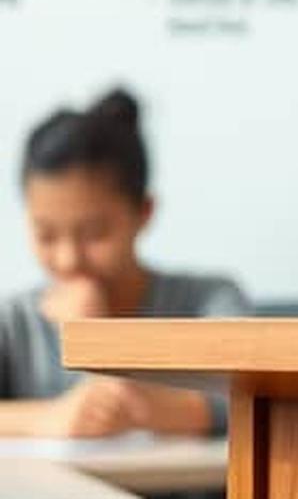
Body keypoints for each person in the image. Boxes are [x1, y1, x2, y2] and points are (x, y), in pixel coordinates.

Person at [0, 87, 250, 439]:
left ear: (143, 213)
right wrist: (46, 419)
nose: (68, 258)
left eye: (94, 233)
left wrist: (101, 344)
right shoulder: (14, 322)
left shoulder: (208, 301)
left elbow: (252, 405)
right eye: (46, 235)